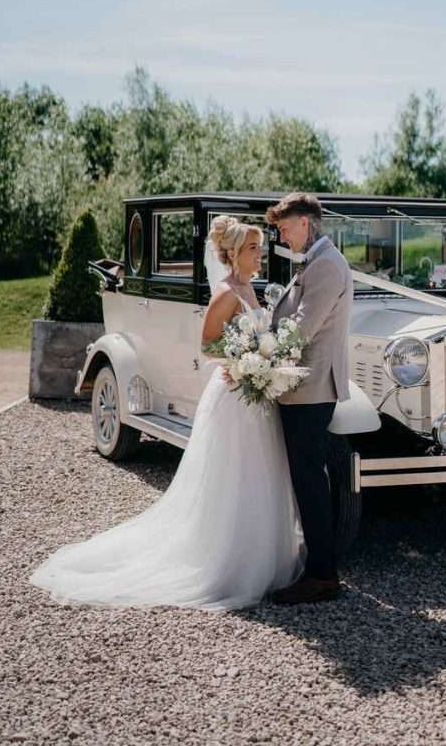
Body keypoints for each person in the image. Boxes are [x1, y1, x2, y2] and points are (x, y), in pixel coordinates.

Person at [29, 215, 303, 610]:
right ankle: (228, 561)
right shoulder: (227, 292)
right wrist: (243, 361)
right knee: (234, 475)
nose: (261, 255)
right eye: (253, 248)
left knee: (257, 472)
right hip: (233, 392)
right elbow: (207, 344)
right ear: (232, 255)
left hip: (252, 395)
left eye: (259, 247)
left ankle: (260, 552)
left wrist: (266, 357)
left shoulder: (249, 288)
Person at [265, 192, 353, 605]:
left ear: (305, 222)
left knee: (310, 477)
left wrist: (259, 352)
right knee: (306, 475)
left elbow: (300, 333)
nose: (282, 237)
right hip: (306, 386)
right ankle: (317, 563)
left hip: (311, 387)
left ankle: (322, 574)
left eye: (284, 229)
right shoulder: (318, 264)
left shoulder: (327, 267)